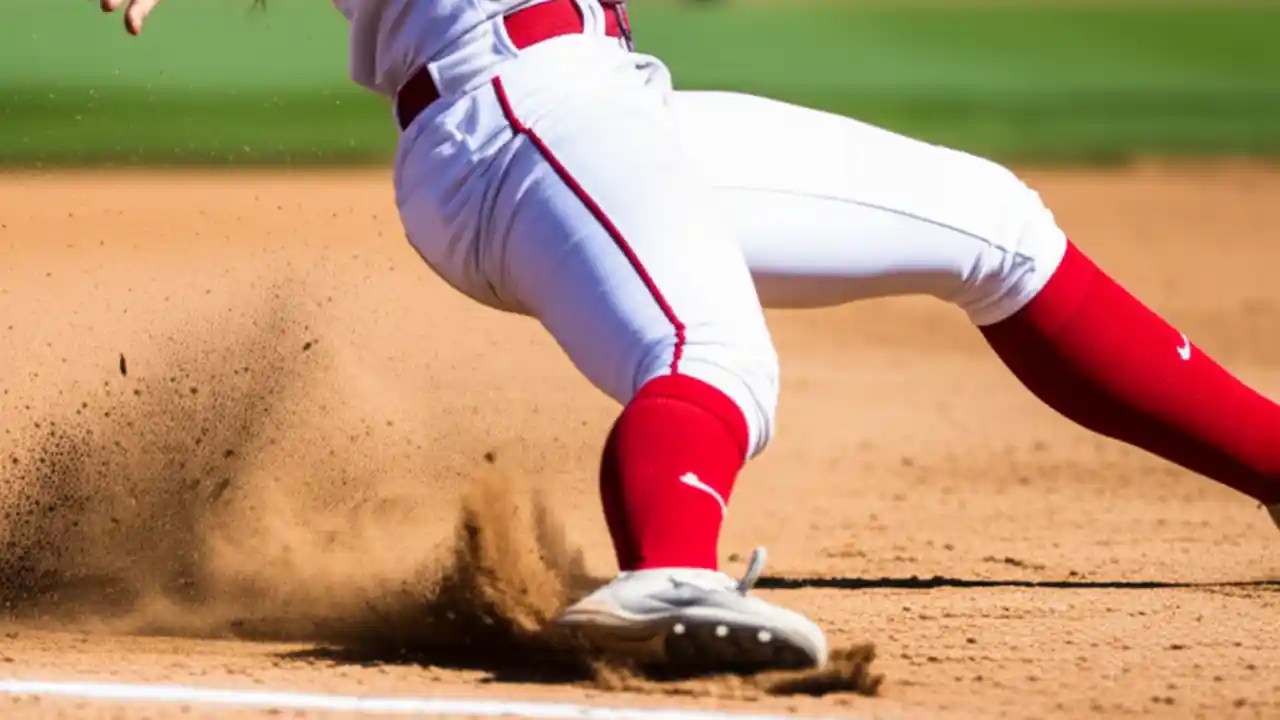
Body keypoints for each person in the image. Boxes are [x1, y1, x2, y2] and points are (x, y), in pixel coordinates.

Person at [97, 0, 1279, 672]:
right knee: (711, 353)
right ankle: (665, 579)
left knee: (995, 228)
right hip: (514, 117)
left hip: (606, 98)